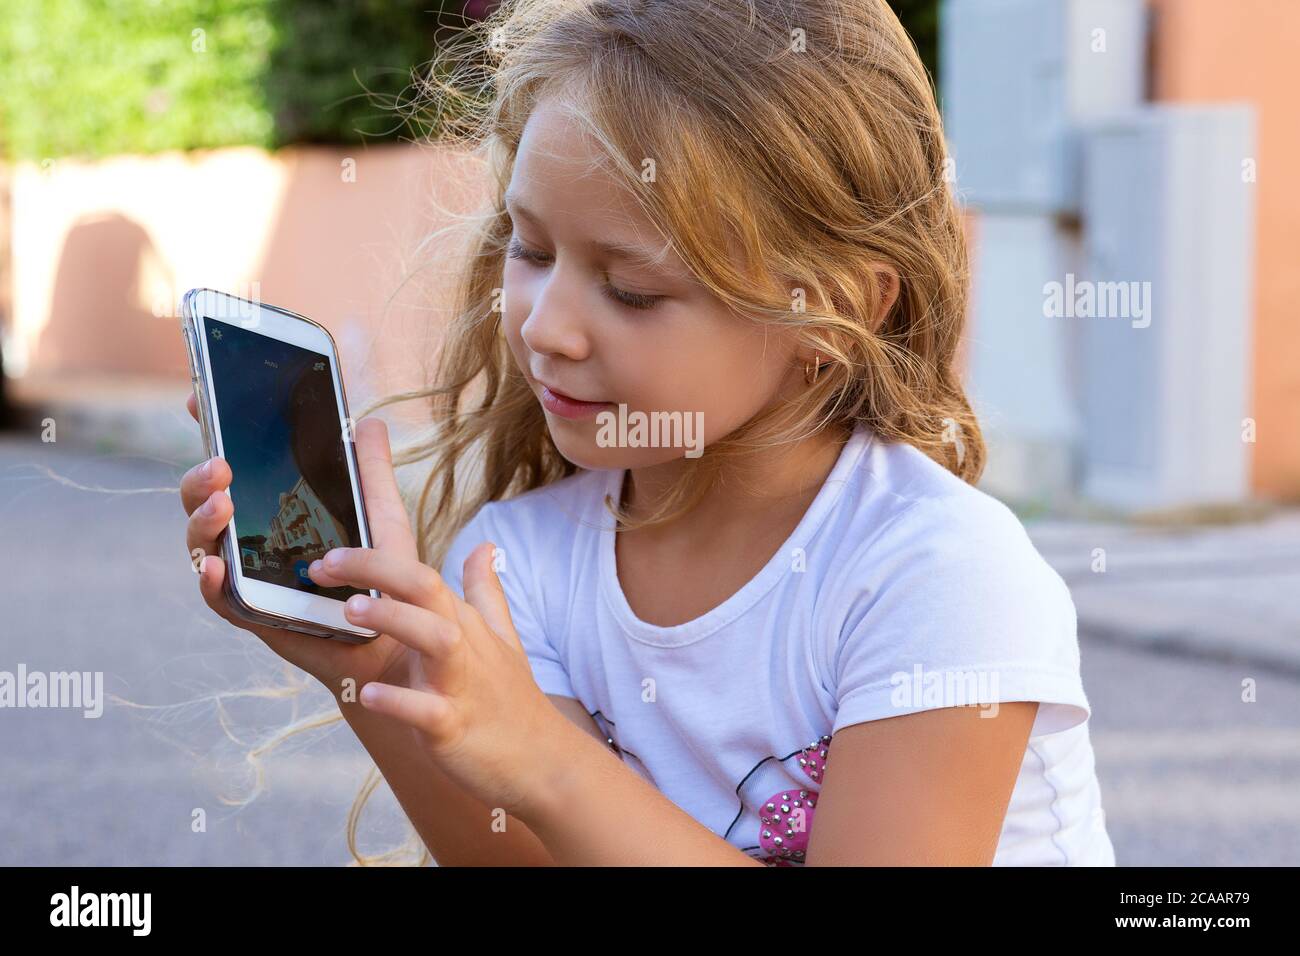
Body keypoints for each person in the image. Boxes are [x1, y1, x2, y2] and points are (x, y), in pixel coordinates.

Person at [178, 0, 1115, 866]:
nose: (544, 325)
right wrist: (375, 660)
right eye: (531, 249)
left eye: (631, 289)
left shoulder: (934, 576)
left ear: (831, 312)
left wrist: (548, 761)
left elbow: (559, 787)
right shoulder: (514, 565)